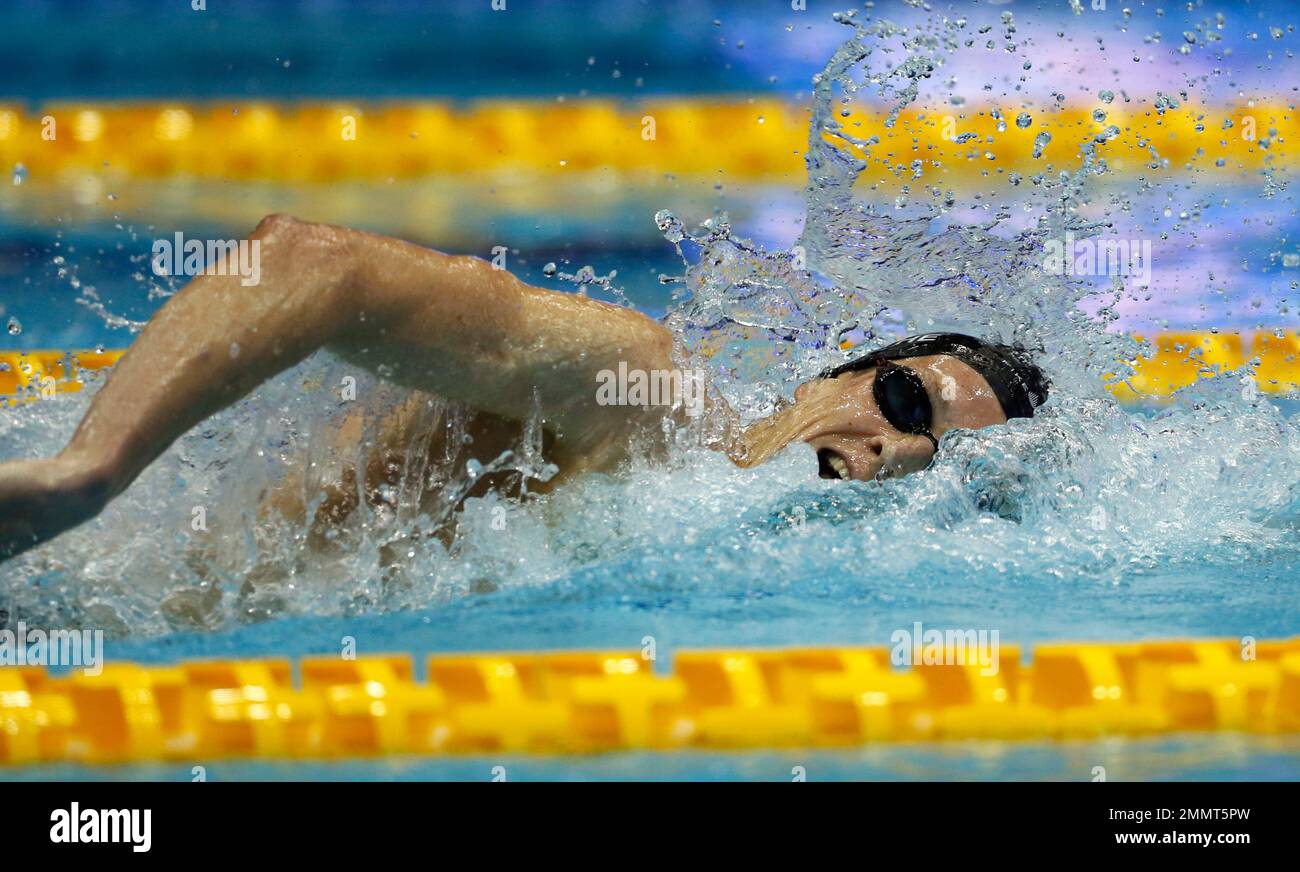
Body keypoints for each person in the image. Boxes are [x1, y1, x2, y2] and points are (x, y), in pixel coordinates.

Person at [0, 214, 1048, 561]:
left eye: (935, 457)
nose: (897, 450)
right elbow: (313, 262)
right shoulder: (645, 396)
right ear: (839, 370)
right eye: (907, 403)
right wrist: (87, 472)